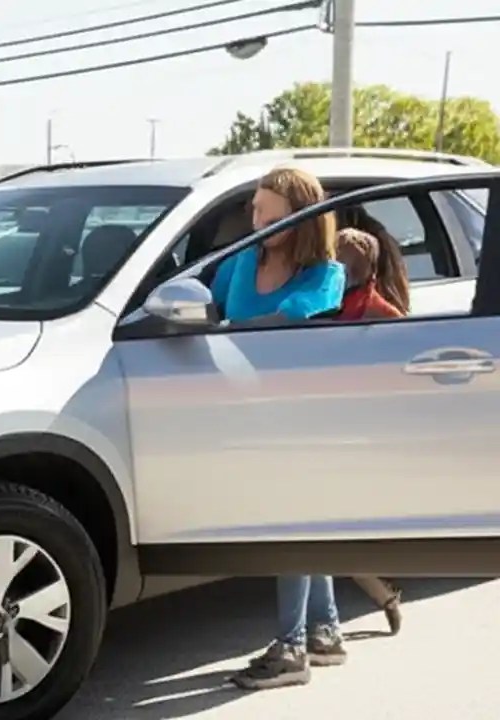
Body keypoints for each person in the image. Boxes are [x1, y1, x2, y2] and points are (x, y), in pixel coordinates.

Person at [216, 167, 347, 691]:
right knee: (300, 519)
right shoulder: (238, 263)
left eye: (271, 213)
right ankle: (326, 632)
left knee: (290, 521)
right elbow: (209, 311)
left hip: (302, 411)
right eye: (254, 210)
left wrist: (229, 333)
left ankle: (292, 648)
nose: (259, 220)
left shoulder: (326, 274)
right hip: (242, 408)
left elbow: (288, 320)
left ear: (304, 218)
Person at [334, 226, 408, 634]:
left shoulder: (379, 311)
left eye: (351, 261)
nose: (345, 266)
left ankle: (384, 596)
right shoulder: (330, 302)